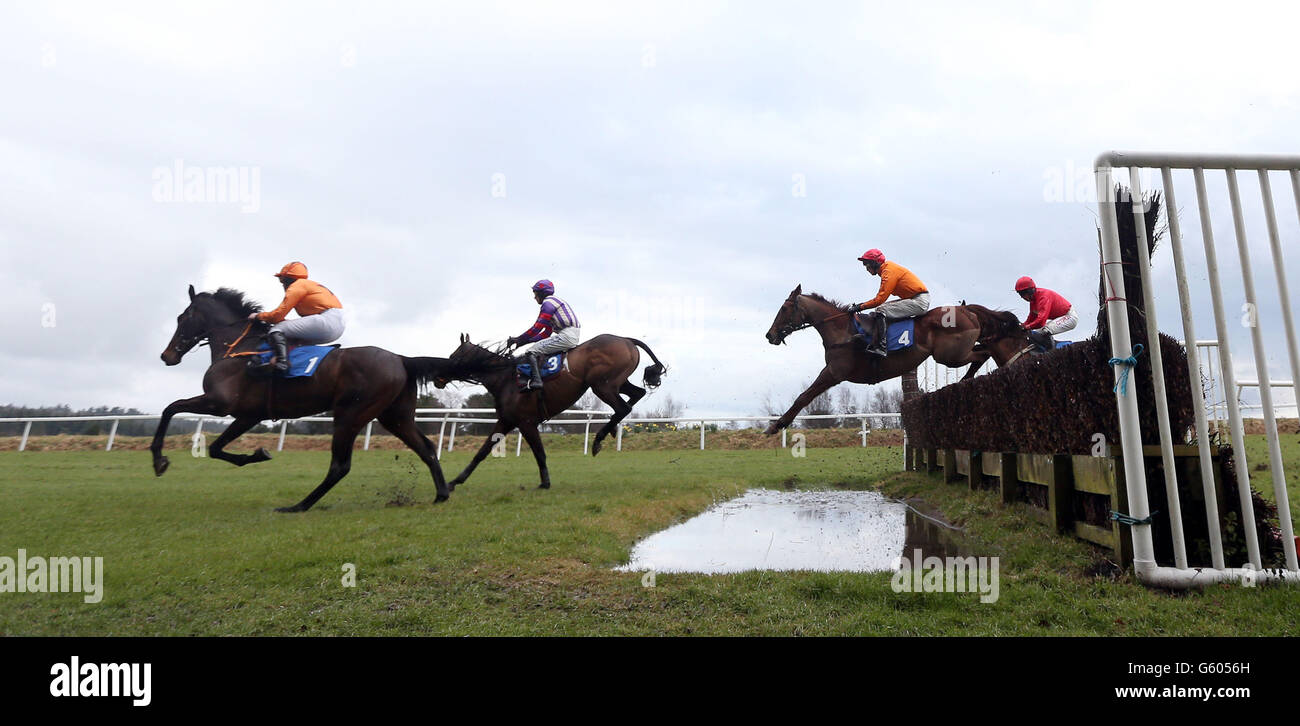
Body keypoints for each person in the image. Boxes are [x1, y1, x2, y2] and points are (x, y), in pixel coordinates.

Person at [247, 262, 345, 373]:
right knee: (293, 339)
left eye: (282, 280)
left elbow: (277, 316)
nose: (282, 284)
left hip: (326, 321)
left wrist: (258, 316)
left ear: (286, 279)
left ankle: (282, 363)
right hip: (336, 325)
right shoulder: (309, 285)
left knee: (277, 328)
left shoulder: (297, 286)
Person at [850, 249, 930, 356]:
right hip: (915, 298)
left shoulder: (888, 272)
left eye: (867, 264)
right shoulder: (887, 269)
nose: (866, 268)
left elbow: (879, 299)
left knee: (881, 309)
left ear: (875, 262)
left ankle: (881, 347)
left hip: (919, 301)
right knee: (882, 308)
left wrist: (860, 307)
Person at [506, 280, 581, 390]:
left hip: (567, 335)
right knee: (536, 349)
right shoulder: (553, 302)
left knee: (531, 351)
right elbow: (546, 334)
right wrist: (523, 342)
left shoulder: (548, 304)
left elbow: (536, 328)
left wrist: (519, 339)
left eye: (535, 294)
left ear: (541, 293)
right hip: (570, 334)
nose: (534, 298)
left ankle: (537, 381)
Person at [1015, 276, 1076, 349]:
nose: (1022, 297)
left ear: (1031, 290)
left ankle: (1054, 352)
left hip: (1070, 317)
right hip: (1061, 317)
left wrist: (1026, 327)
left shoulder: (1043, 297)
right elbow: (1031, 319)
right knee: (1036, 332)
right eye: (1020, 294)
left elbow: (1041, 321)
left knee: (1045, 330)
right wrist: (1020, 327)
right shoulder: (1033, 301)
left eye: (1023, 293)